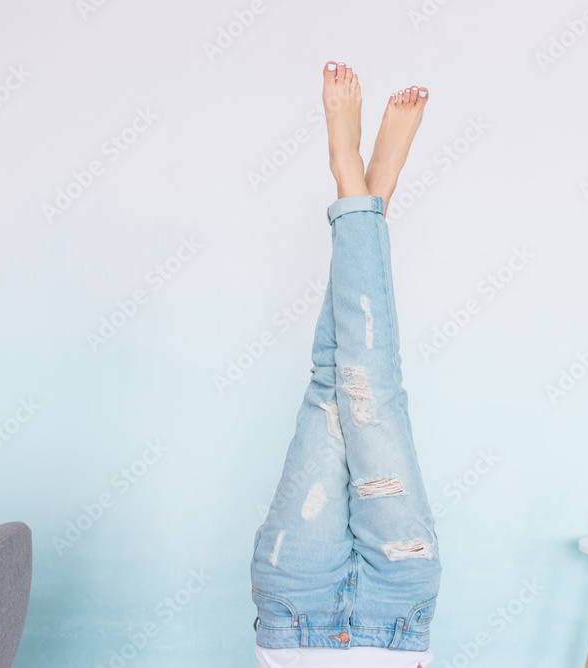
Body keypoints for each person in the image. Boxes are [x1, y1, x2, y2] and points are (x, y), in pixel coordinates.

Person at [250, 61, 440, 668]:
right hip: (397, 607)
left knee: (333, 388)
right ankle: (362, 188)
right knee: (372, 394)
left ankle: (360, 184)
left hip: (294, 606)